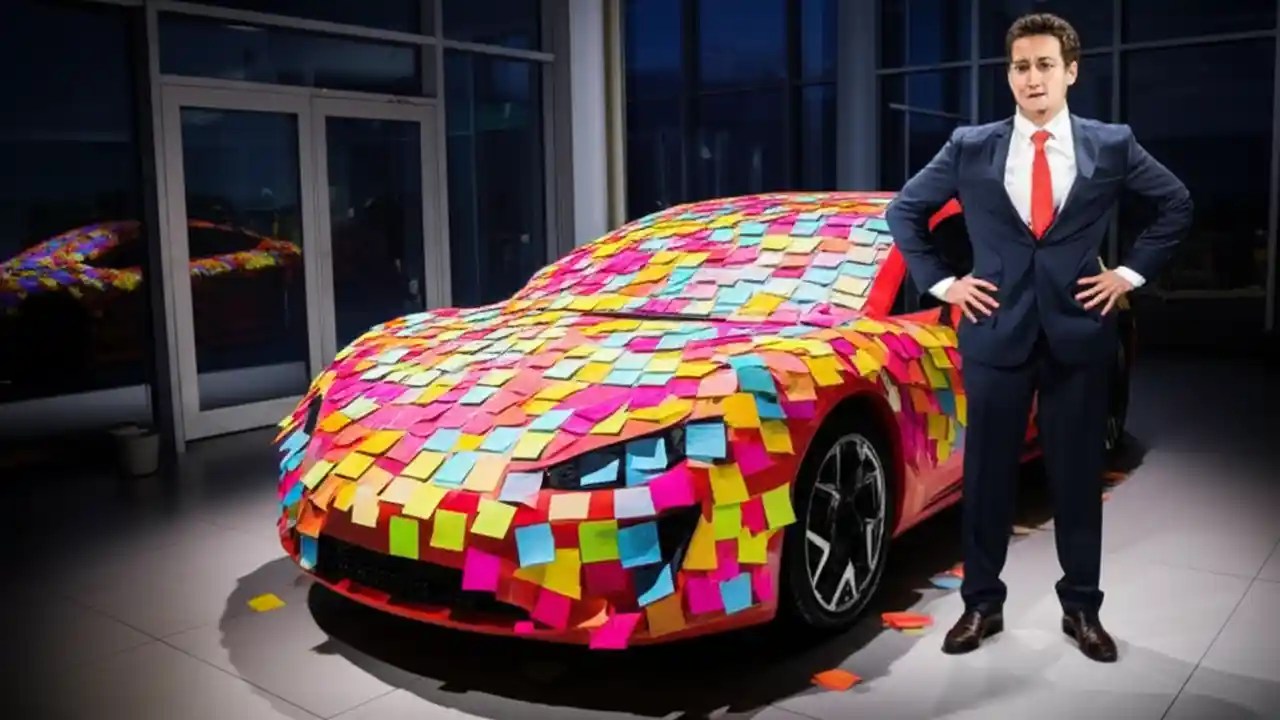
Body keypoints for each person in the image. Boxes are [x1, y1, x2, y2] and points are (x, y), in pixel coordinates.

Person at [885, 13, 1192, 663]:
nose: (1032, 77)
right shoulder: (971, 146)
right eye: (1020, 66)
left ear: (1071, 71)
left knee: (1078, 479)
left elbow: (1175, 204)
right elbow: (904, 210)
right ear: (1010, 75)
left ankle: (1081, 608)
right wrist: (945, 286)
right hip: (995, 332)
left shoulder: (1110, 144)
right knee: (986, 477)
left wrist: (1130, 274)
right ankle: (981, 607)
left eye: (1045, 65)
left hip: (1079, 334)